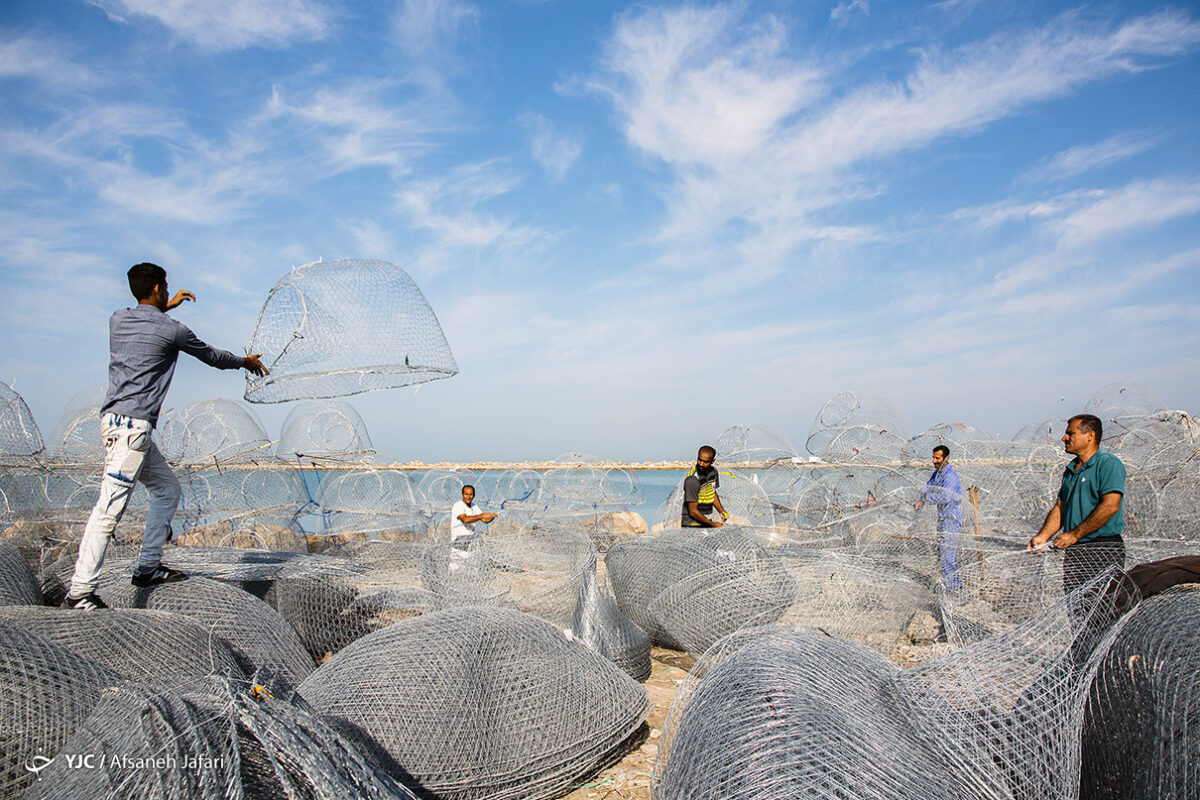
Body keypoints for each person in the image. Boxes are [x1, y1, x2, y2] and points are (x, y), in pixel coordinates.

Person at [62, 263, 268, 610]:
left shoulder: (117, 320)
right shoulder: (173, 331)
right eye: (165, 287)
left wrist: (166, 305)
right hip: (133, 430)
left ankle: (148, 567)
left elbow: (145, 316)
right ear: (158, 288)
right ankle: (80, 591)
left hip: (118, 426)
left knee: (167, 489)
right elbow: (214, 357)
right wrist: (244, 362)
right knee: (108, 510)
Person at [1026, 414, 1126, 596]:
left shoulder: (1108, 464)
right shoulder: (1071, 469)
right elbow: (1060, 508)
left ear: (1090, 436)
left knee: (1103, 609)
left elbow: (1110, 506)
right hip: (1075, 551)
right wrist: (1043, 536)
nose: (1064, 438)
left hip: (1102, 550)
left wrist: (1074, 534)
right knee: (1077, 610)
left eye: (1070, 434)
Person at [915, 445, 964, 590]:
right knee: (943, 552)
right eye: (933, 457)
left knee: (948, 553)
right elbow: (928, 486)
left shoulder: (950, 476)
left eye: (937, 458)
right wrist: (920, 499)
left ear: (946, 458)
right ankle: (953, 583)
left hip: (952, 518)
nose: (934, 461)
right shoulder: (937, 474)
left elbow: (946, 496)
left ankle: (952, 587)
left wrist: (926, 498)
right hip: (943, 518)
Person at [449, 484, 497, 571]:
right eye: (466, 494)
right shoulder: (458, 505)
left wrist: (493, 516)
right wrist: (481, 516)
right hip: (458, 540)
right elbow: (465, 519)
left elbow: (484, 520)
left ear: (474, 495)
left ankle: (489, 563)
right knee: (478, 538)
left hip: (470, 539)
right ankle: (491, 562)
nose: (468, 497)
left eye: (470, 494)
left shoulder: (474, 506)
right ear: (462, 495)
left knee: (479, 541)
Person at [681, 445, 729, 528]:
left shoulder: (713, 472)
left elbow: (712, 493)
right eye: (699, 460)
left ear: (712, 461)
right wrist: (713, 524)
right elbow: (693, 511)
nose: (701, 464)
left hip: (706, 520)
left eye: (705, 462)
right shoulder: (692, 479)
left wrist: (722, 511)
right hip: (692, 524)